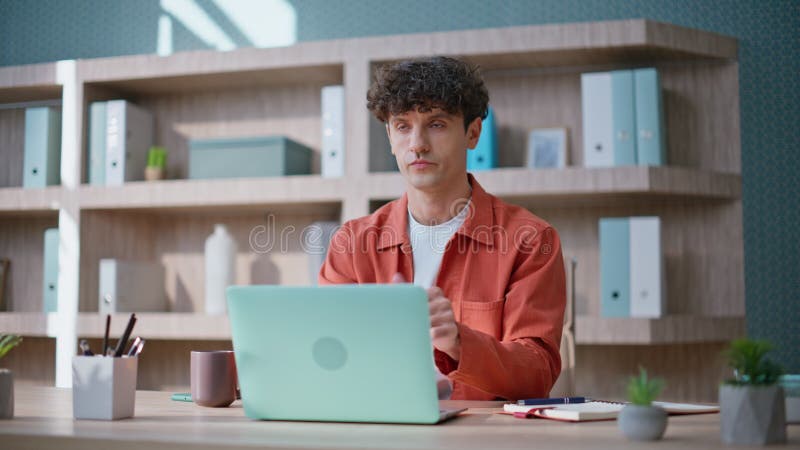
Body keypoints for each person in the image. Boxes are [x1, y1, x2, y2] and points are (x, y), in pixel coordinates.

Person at [319, 56, 566, 401]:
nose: (417, 144)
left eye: (436, 124)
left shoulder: (531, 240)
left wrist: (458, 342)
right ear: (389, 136)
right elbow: (325, 354)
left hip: (480, 429)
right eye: (402, 126)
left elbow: (538, 372)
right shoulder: (351, 242)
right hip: (378, 421)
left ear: (473, 133)